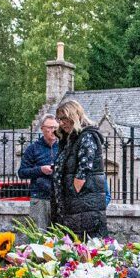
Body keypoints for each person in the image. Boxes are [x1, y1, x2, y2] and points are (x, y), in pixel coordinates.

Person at [52, 100, 109, 239]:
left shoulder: (86, 136)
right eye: (59, 119)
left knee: (85, 250)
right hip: (72, 207)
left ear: (74, 116)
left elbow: (83, 171)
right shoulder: (68, 139)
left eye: (64, 118)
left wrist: (73, 191)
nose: (61, 123)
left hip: (82, 207)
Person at [18, 115, 61, 230]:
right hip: (40, 197)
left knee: (60, 237)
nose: (53, 131)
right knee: (39, 233)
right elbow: (22, 172)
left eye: (56, 127)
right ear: (42, 128)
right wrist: (40, 170)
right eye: (50, 127)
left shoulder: (63, 147)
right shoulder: (33, 148)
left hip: (59, 197)